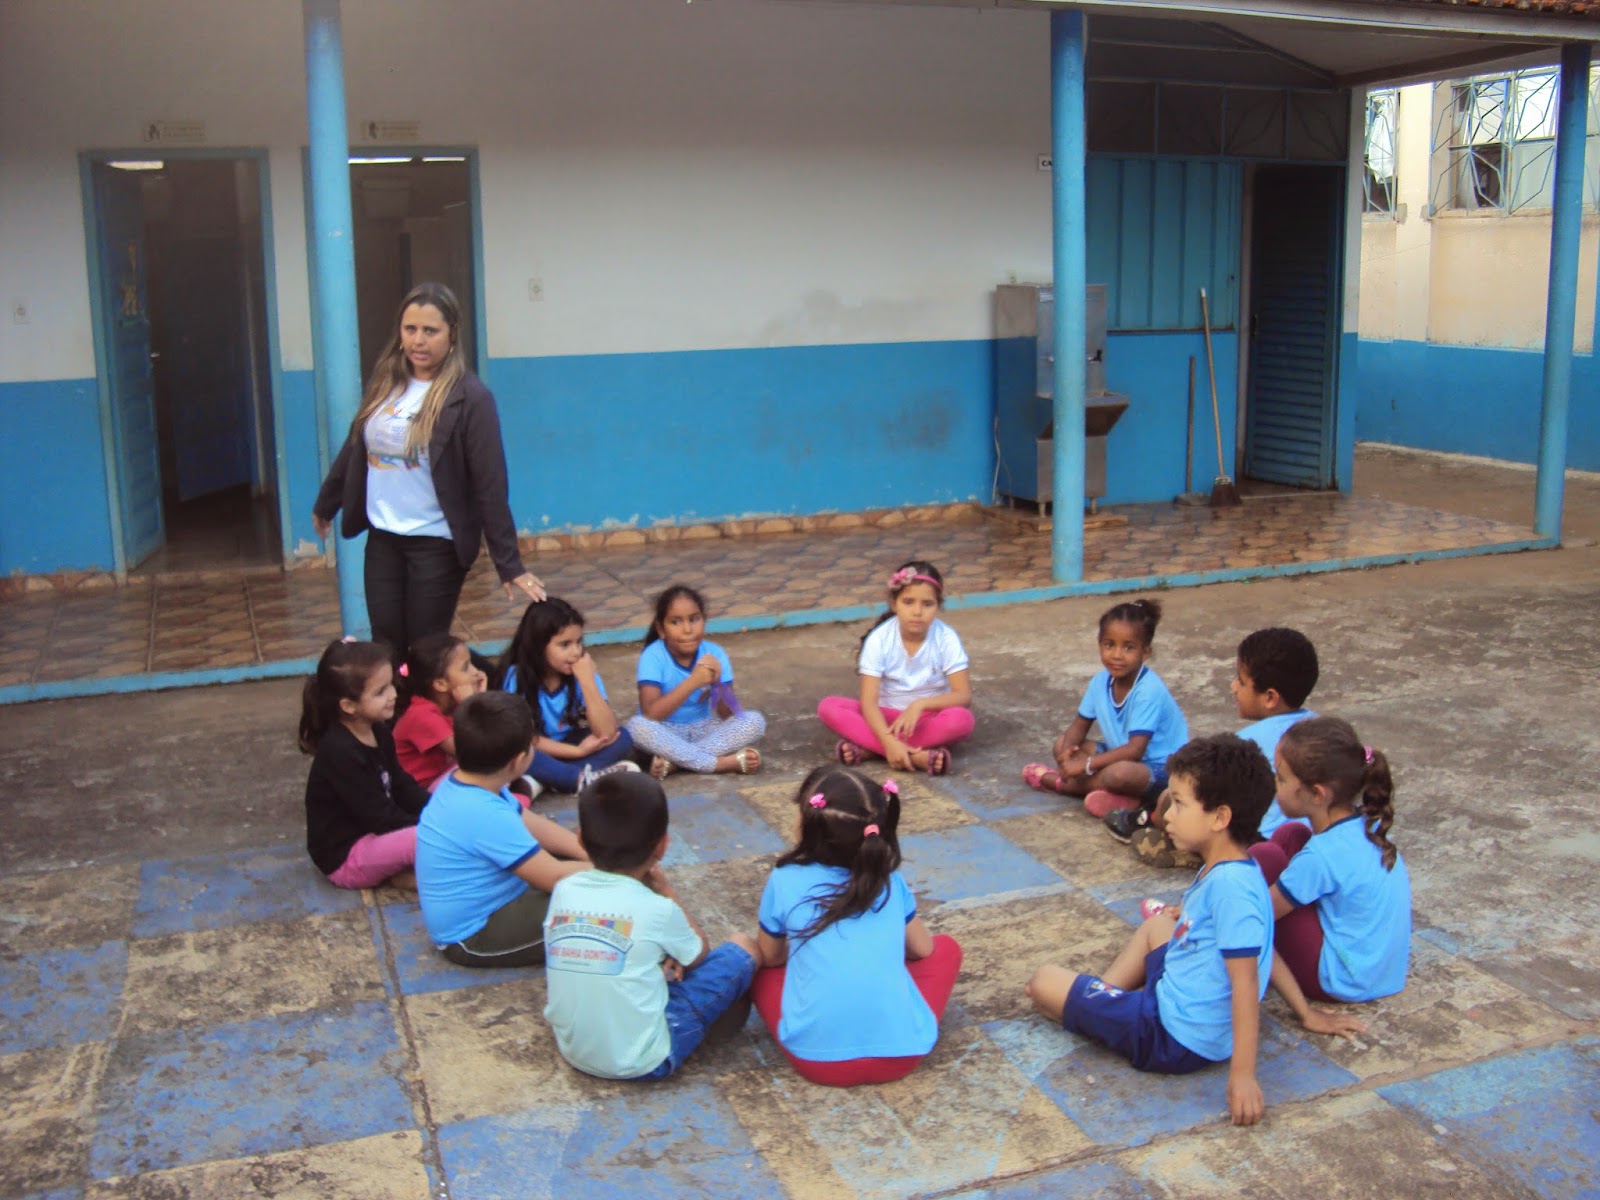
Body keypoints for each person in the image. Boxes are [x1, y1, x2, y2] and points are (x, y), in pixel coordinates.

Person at [1024, 734, 1275, 1126]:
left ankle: (1101, 1009)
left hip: (1171, 1035)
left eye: (1179, 803)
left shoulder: (1230, 889)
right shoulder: (1238, 867)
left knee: (1041, 983)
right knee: (1158, 925)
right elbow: (1255, 948)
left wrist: (1242, 1076)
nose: (1166, 815)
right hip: (1186, 1002)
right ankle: (1104, 1001)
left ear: (1220, 817)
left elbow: (1244, 982)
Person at [311, 282, 545, 659]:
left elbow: (490, 484)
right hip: (384, 536)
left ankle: (425, 715)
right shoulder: (387, 382)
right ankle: (395, 716)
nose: (418, 340)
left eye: (430, 331)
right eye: (410, 329)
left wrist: (509, 563)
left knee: (425, 650)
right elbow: (357, 445)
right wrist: (327, 501)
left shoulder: (470, 397)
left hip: (436, 543)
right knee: (386, 644)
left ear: (452, 333)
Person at [752, 765, 963, 1086]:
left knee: (754, 961)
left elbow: (771, 958)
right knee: (946, 949)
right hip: (902, 1056)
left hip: (816, 1061)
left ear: (809, 824)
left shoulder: (784, 880)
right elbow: (923, 949)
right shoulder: (889, 879)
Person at [543, 772, 760, 1080]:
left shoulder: (565, 888)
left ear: (579, 838)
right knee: (743, 948)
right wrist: (667, 891)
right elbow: (698, 953)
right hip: (644, 1061)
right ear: (662, 846)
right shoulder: (658, 908)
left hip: (575, 1050)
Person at [1108, 627, 1319, 867]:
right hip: (1305, 842)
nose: (1233, 686)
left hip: (1255, 843)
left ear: (1270, 697)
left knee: (1176, 795)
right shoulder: (1317, 728)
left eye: (1241, 681)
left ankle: (1152, 821)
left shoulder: (1248, 744)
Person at [415, 692, 588, 968]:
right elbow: (551, 877)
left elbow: (532, 823)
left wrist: (592, 853)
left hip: (505, 898)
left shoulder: (471, 782)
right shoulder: (483, 812)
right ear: (517, 762)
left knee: (590, 872)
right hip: (474, 935)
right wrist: (618, 868)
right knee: (603, 905)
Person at [1252, 716, 1411, 1018]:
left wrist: (1207, 909)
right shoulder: (1368, 826)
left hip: (1339, 982)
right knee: (1290, 835)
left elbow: (1258, 915)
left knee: (1265, 856)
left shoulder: (1321, 856)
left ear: (1317, 794)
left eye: (1281, 778)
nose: (1275, 785)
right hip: (1382, 973)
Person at [1022, 597, 1187, 817]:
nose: (1117, 655)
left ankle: (1065, 786)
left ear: (1145, 652)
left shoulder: (1148, 690)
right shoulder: (1100, 682)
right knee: (1061, 743)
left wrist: (1086, 765)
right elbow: (1079, 726)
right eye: (1109, 645)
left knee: (1119, 774)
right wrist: (1067, 756)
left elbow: (1135, 750)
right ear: (1100, 644)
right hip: (1121, 755)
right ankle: (1124, 799)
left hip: (1162, 768)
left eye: (1128, 647)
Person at [816, 560, 973, 775]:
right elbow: (869, 703)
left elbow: (962, 695)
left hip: (925, 720)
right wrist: (888, 740)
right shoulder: (879, 639)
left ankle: (872, 750)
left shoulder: (946, 638)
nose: (917, 611)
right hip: (883, 718)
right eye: (908, 602)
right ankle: (914, 755)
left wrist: (919, 705)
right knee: (829, 707)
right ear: (894, 603)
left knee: (961, 720)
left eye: (927, 604)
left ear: (938, 605)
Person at [300, 638, 429, 890]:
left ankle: (400, 872)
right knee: (430, 838)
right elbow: (381, 817)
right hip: (347, 857)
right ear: (349, 706)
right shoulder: (340, 751)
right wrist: (436, 824)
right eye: (380, 692)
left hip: (378, 837)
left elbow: (402, 784)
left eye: (391, 684)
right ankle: (410, 874)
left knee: (452, 789)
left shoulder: (377, 729)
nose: (393, 694)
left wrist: (438, 809)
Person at [625, 584, 766, 778]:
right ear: (661, 629)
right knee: (636, 727)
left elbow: (730, 713)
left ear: (704, 621)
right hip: (665, 730)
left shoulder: (715, 653)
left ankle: (676, 763)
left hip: (703, 728)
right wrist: (693, 682)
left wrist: (718, 684)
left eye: (694, 619)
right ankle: (720, 764)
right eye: (675, 622)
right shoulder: (653, 655)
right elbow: (651, 714)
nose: (687, 629)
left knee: (754, 721)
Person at [500, 598, 640, 793]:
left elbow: (607, 732)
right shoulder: (517, 677)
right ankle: (577, 778)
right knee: (520, 753)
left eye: (578, 642)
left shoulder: (582, 671)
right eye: (564, 645)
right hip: (537, 749)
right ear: (538, 646)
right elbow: (527, 739)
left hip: (568, 742)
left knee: (622, 737)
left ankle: (552, 779)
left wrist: (587, 681)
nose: (575, 652)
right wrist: (577, 752)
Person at [392, 633, 487, 792]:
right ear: (441, 684)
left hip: (445, 776)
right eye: (465, 668)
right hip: (421, 791)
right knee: (486, 771)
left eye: (472, 664)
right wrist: (473, 706)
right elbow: (473, 753)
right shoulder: (422, 715)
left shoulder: (453, 704)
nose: (476, 672)